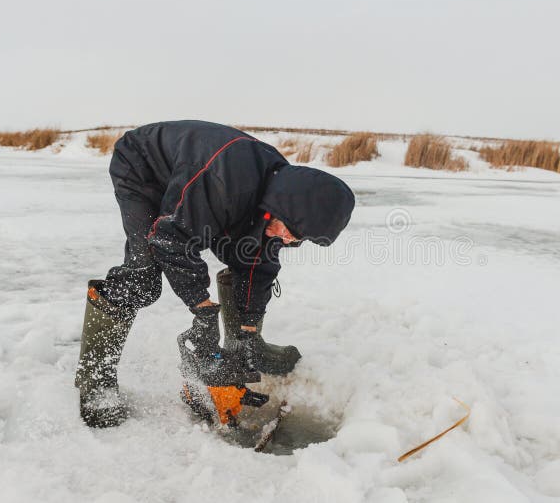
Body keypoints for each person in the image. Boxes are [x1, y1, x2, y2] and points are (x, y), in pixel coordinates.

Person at [74, 120, 355, 428]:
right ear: (285, 208)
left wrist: (248, 330)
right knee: (143, 275)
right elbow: (171, 239)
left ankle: (241, 348)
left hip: (200, 183)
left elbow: (259, 265)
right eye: (292, 232)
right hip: (144, 168)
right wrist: (202, 308)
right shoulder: (224, 182)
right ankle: (95, 375)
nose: (289, 240)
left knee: (249, 256)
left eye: (298, 239)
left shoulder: (280, 196)